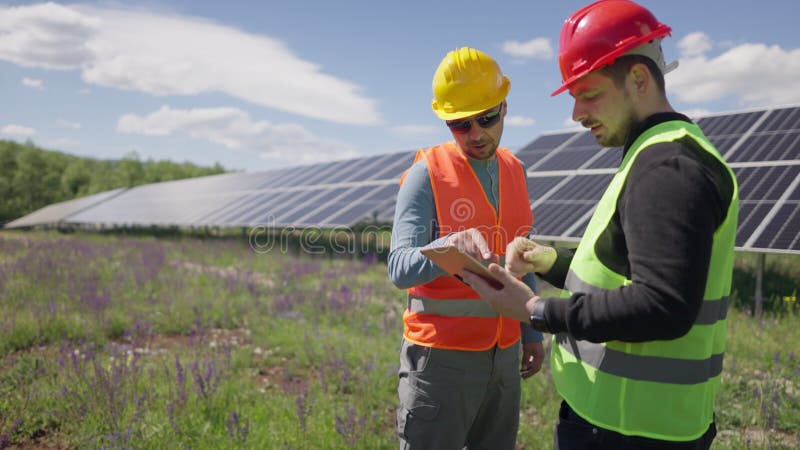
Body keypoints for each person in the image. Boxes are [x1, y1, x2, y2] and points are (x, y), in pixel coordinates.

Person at [460, 1, 739, 449]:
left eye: (589, 94)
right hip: (628, 421)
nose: (576, 113)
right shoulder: (658, 153)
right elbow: (624, 269)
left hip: (631, 430)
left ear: (639, 79)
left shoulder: (667, 167)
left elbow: (663, 305)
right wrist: (549, 261)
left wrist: (535, 310)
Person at [387, 47, 546, 449]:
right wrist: (449, 245)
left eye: (486, 118)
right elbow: (399, 267)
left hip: (504, 358)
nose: (475, 134)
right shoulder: (426, 174)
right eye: (460, 124)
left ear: (504, 106)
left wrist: (530, 331)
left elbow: (520, 260)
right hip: (440, 362)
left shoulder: (516, 171)